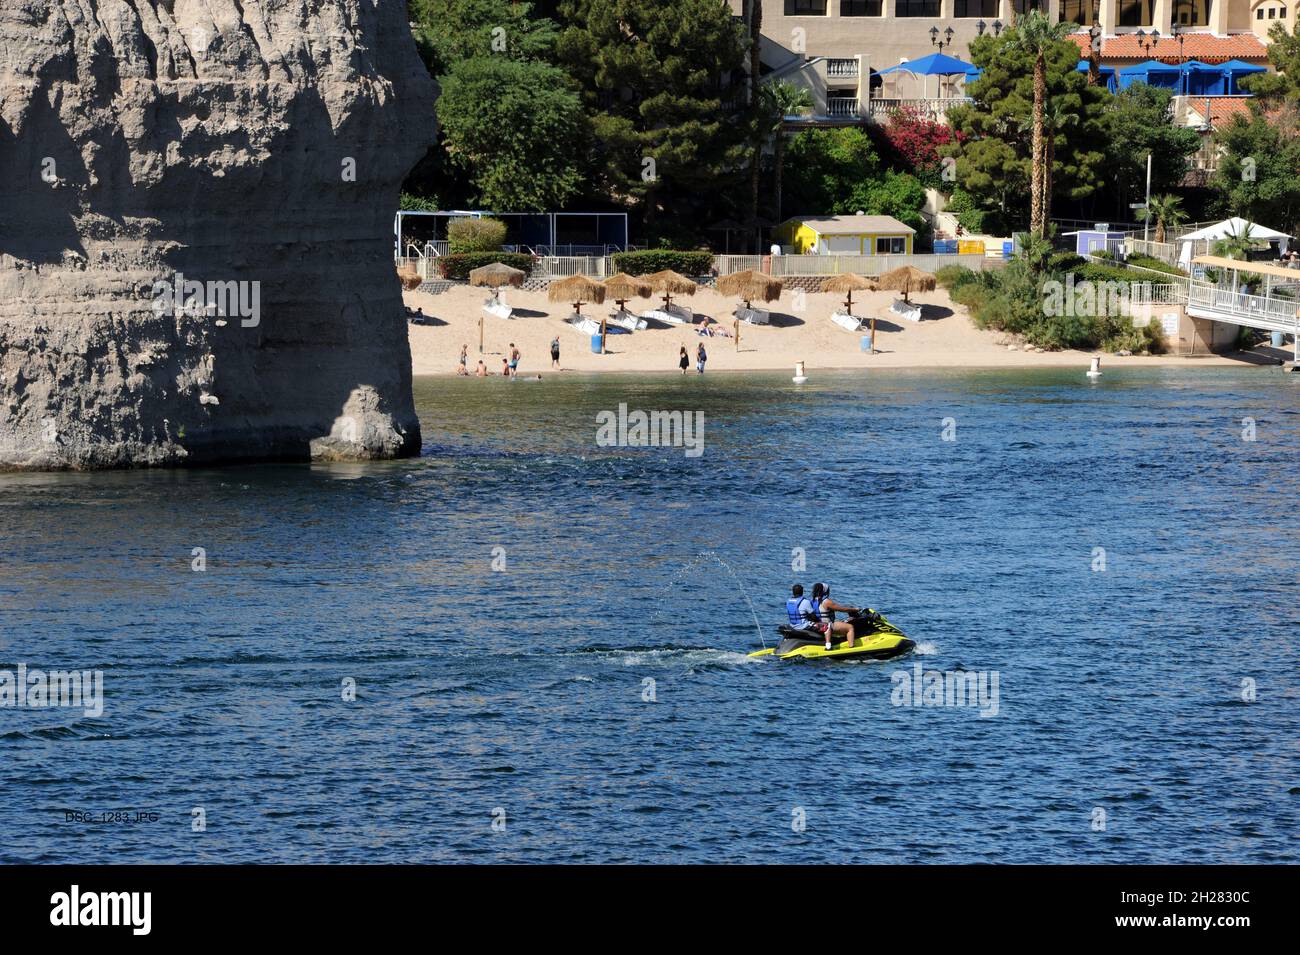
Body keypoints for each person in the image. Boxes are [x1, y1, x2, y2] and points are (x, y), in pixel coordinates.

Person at [810, 582, 865, 651]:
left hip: (818, 624)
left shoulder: (812, 600)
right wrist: (855, 609)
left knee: (843, 622)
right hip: (827, 624)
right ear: (825, 591)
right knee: (850, 627)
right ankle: (852, 648)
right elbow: (841, 609)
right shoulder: (826, 601)